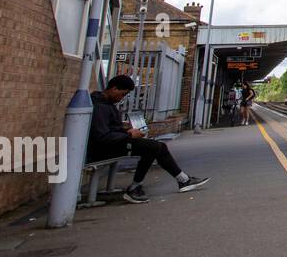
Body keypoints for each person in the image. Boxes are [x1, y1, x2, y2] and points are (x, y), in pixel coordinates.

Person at [88, 75, 209, 204]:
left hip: (116, 142)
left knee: (157, 146)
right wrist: (128, 136)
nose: (121, 98)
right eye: (123, 94)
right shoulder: (100, 107)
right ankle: (140, 187)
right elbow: (102, 136)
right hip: (106, 148)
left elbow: (110, 129)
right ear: (114, 88)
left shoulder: (107, 104)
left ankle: (182, 180)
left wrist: (126, 131)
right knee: (153, 147)